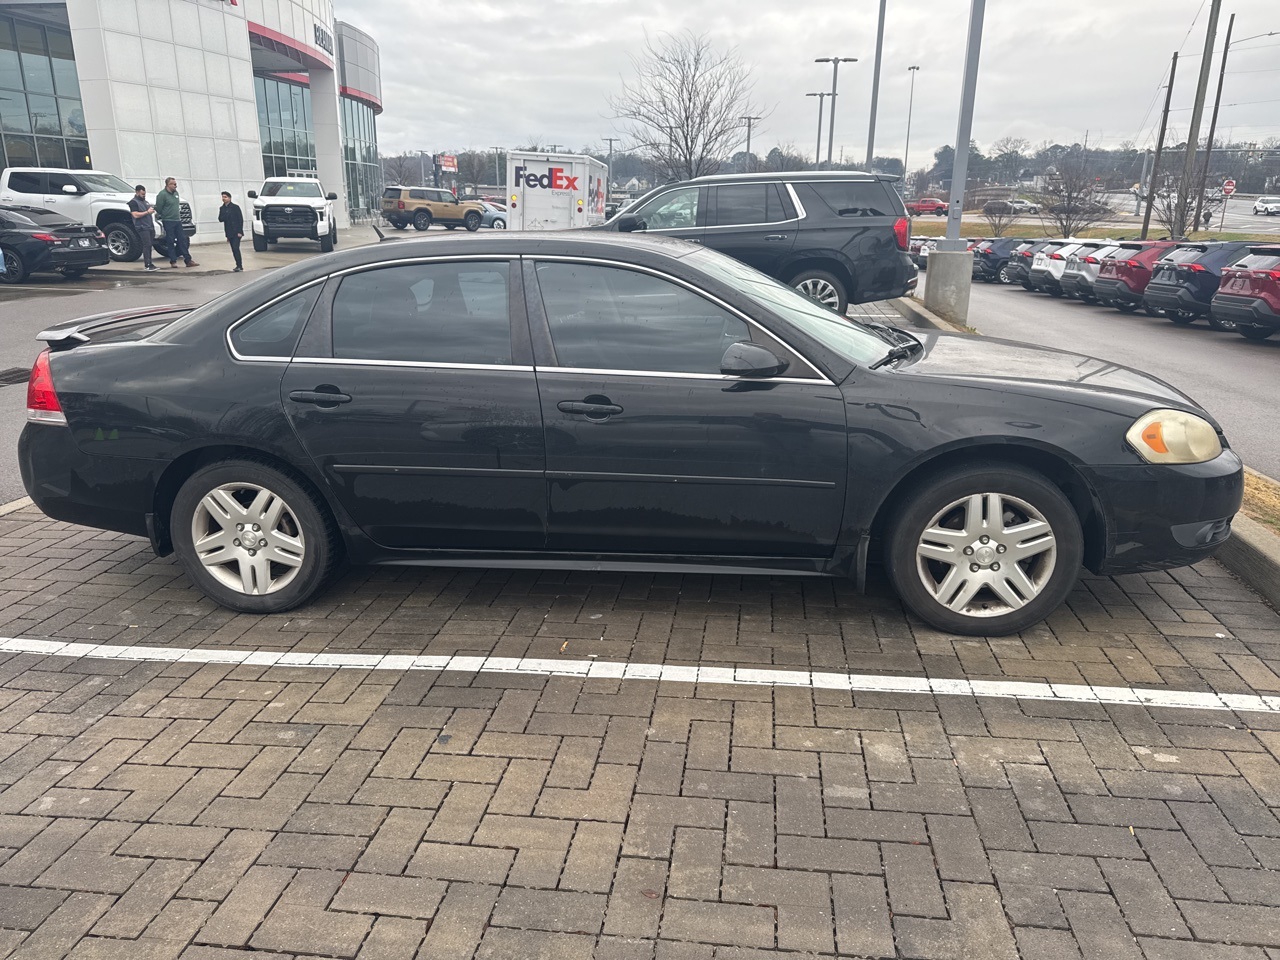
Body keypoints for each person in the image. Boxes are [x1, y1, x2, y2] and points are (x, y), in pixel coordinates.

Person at [154, 177, 197, 268]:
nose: (175, 186)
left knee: (182, 239)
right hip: (168, 220)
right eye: (173, 184)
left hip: (177, 220)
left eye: (175, 184)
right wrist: (165, 214)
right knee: (170, 240)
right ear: (168, 185)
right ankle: (173, 261)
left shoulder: (176, 194)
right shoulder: (162, 195)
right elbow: (159, 208)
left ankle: (188, 260)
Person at [128, 185, 158, 271]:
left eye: (144, 194)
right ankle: (147, 264)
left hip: (149, 226)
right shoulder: (133, 202)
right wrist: (147, 212)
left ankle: (150, 263)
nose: (143, 196)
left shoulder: (146, 202)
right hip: (141, 227)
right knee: (146, 244)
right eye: (142, 194)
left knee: (150, 245)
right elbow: (135, 214)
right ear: (137, 192)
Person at [218, 191, 244, 272]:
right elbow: (220, 219)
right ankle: (237, 265)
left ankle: (240, 265)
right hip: (229, 232)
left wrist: (240, 231)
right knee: (233, 249)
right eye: (223, 197)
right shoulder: (222, 208)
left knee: (236, 248)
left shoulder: (235, 207)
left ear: (229, 198)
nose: (223, 198)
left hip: (236, 231)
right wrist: (225, 214)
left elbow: (240, 219)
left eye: (225, 197)